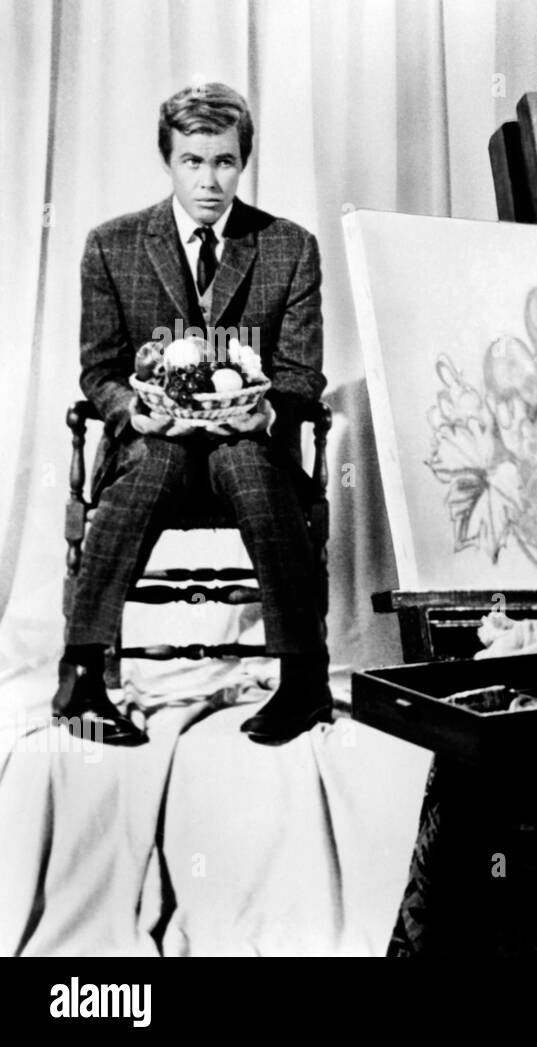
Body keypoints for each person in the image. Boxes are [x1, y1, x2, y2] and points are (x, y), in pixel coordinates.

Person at [54, 83, 331, 746]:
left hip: (246, 442)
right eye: (193, 161)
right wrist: (131, 410)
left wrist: (264, 415)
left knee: (253, 467)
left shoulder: (289, 247)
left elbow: (301, 375)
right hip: (156, 443)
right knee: (152, 465)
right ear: (169, 161)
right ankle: (82, 678)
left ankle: (304, 679)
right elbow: (98, 368)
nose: (210, 180)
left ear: (244, 161)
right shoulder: (112, 246)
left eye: (225, 162)